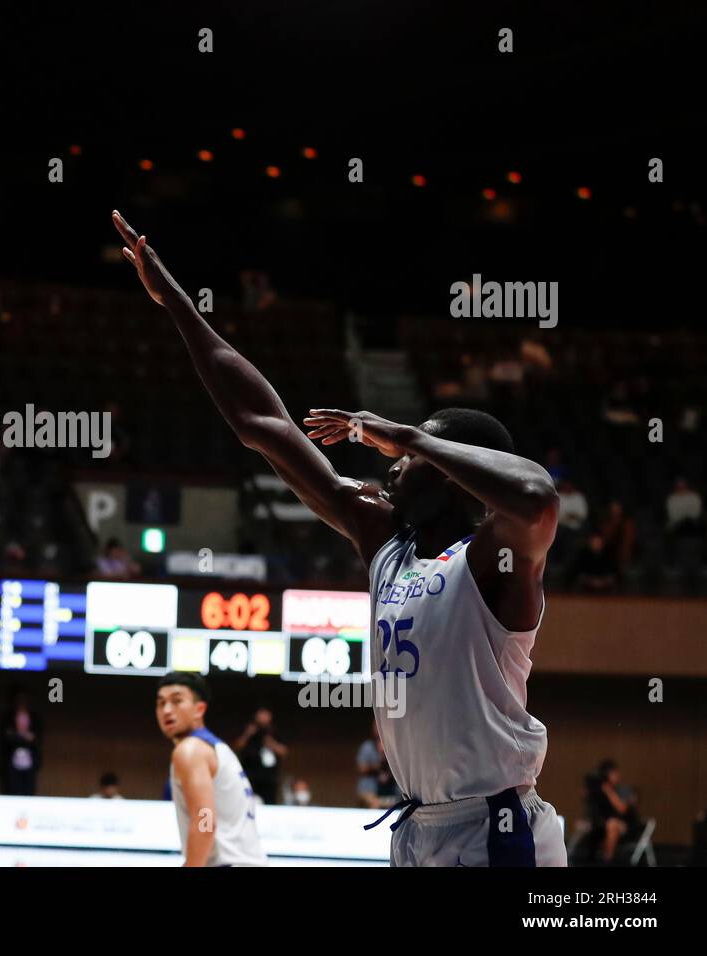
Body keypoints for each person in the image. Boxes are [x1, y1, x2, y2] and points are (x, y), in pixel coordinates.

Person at [114, 210, 565, 867]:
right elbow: (261, 422)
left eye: (413, 456)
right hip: (416, 827)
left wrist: (414, 437)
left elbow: (538, 496)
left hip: (493, 829)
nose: (392, 461)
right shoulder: (386, 541)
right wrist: (177, 303)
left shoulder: (496, 560)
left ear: (450, 472)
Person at [155, 672, 265, 867]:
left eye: (176, 701)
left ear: (199, 709)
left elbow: (204, 820)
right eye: (161, 703)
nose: (167, 710)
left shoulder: (190, 750)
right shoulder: (218, 748)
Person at [232, 706, 288, 805]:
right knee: (247, 802)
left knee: (269, 803)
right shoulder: (249, 729)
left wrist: (271, 744)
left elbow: (284, 751)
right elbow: (237, 746)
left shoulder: (274, 731)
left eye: (265, 714)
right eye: (261, 713)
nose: (263, 717)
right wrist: (248, 734)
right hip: (250, 774)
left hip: (269, 777)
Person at [0, 689, 42, 795]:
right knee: (12, 789)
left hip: (29, 759)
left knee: (29, 790)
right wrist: (24, 737)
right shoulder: (8, 717)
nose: (22, 702)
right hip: (12, 759)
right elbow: (7, 736)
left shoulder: (34, 717)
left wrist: (22, 737)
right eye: (19, 699)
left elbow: (37, 737)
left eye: (24, 699)